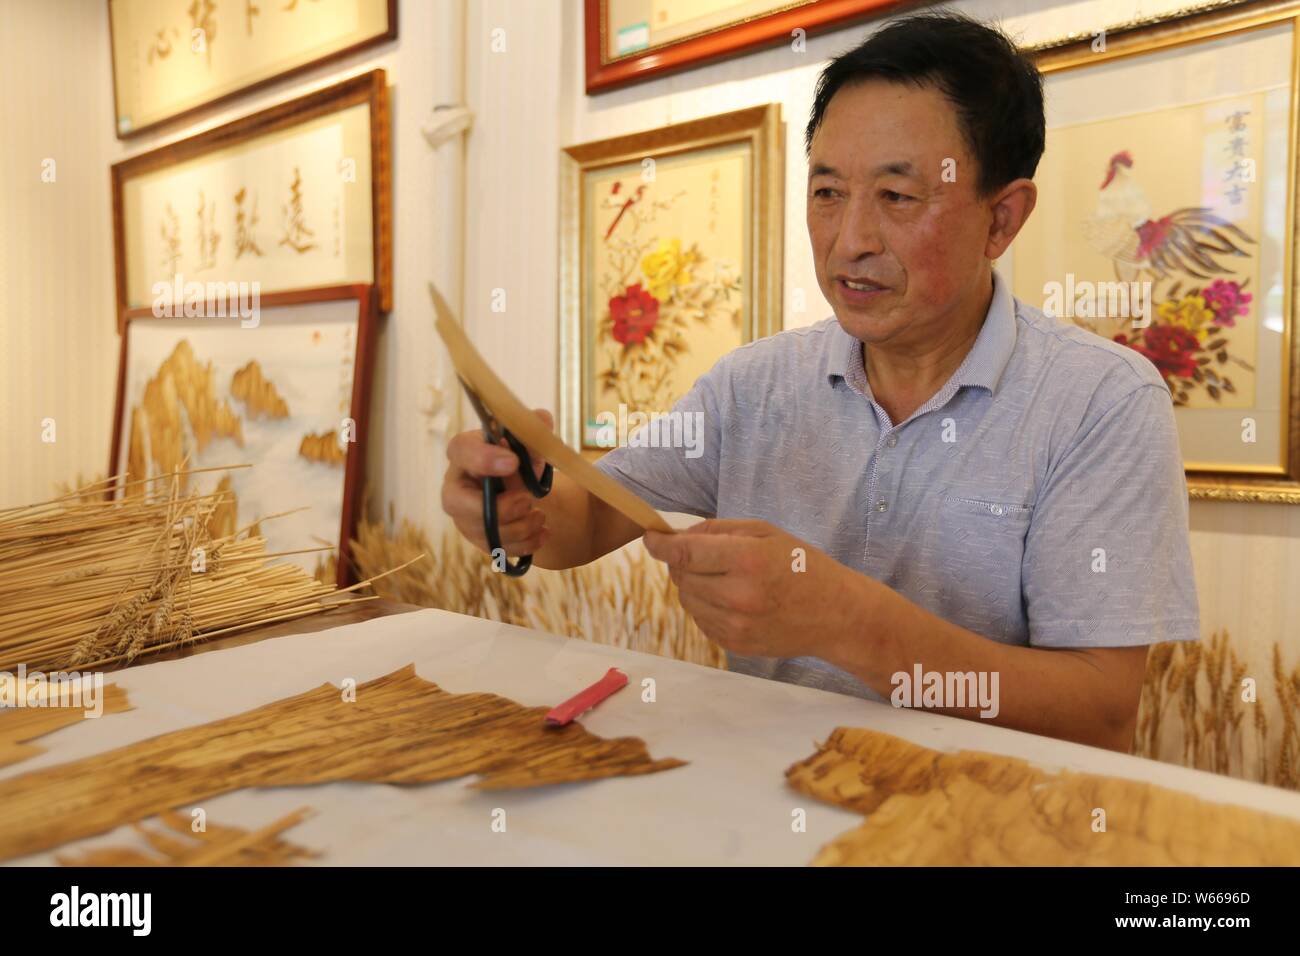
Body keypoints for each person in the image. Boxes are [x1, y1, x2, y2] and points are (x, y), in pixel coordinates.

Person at [441, 12, 1199, 753]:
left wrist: (848, 622)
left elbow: (1099, 715)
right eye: (828, 192)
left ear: (1002, 219)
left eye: (898, 198)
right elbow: (585, 521)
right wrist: (514, 505)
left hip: (977, 826)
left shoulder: (1101, 402)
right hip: (765, 807)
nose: (851, 241)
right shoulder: (756, 385)